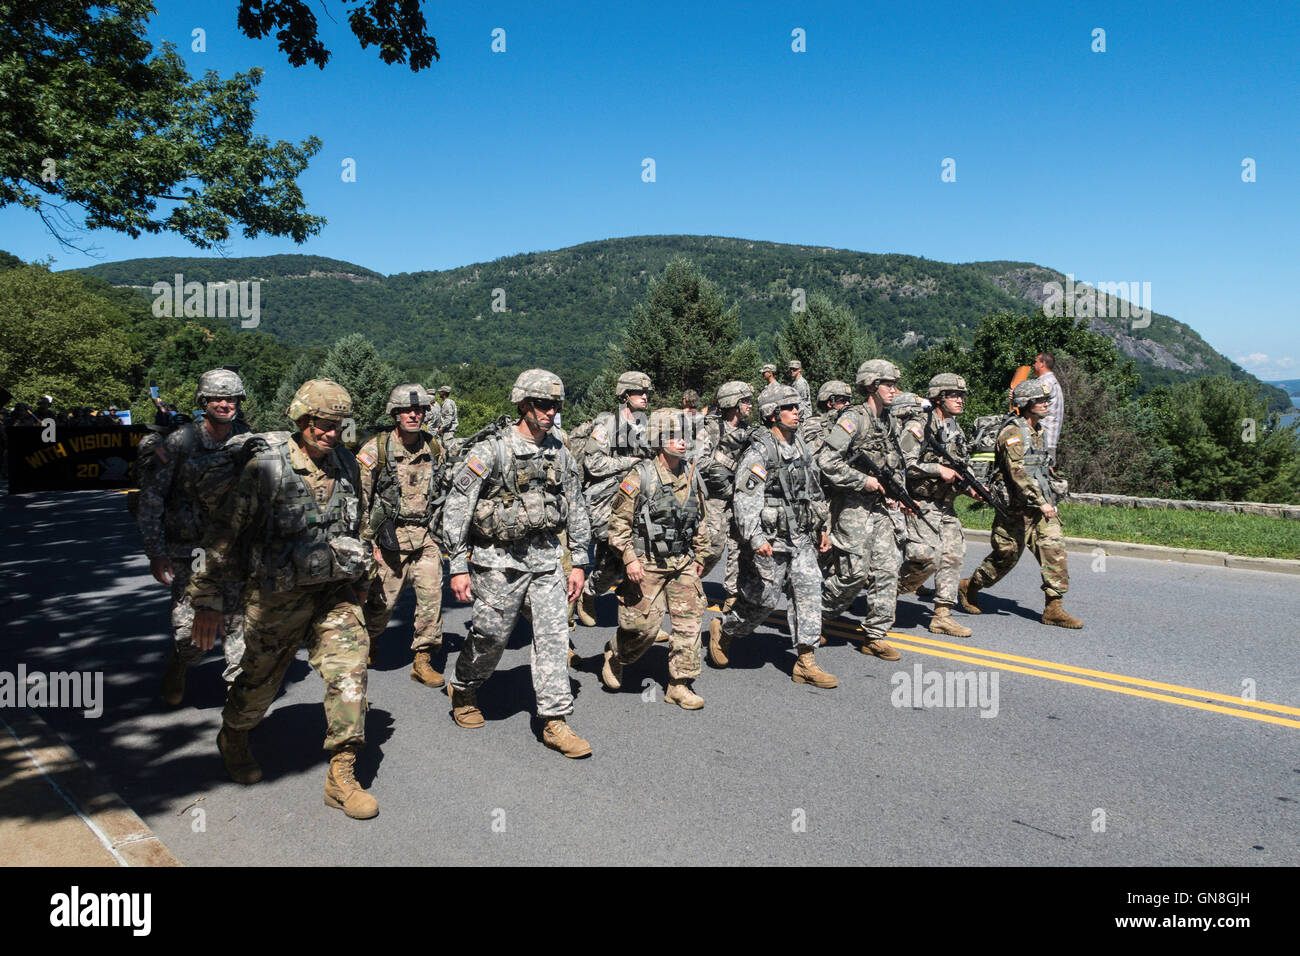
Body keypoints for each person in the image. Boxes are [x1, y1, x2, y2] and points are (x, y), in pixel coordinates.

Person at [189, 380, 379, 819]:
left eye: (337, 425)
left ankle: (342, 774)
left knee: (350, 673)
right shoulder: (266, 467)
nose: (329, 433)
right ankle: (234, 735)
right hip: (276, 596)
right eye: (320, 424)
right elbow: (221, 537)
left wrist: (364, 580)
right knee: (257, 686)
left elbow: (359, 528)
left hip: (333, 593)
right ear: (301, 419)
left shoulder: (347, 465)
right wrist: (206, 600)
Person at [442, 369, 593, 757]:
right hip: (497, 562)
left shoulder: (560, 450)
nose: (550, 411)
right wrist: (457, 565)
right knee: (490, 636)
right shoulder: (492, 450)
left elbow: (576, 505)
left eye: (556, 405)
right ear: (523, 404)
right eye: (543, 404)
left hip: (544, 561)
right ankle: (464, 688)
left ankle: (554, 719)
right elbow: (458, 510)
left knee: (554, 636)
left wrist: (578, 561)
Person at [135, 369, 254, 706]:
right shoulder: (181, 442)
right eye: (217, 398)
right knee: (191, 634)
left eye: (231, 398)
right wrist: (155, 552)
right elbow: (152, 498)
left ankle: (238, 698)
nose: (225, 404)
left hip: (233, 552)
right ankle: (180, 661)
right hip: (190, 553)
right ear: (204, 401)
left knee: (237, 622)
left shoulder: (245, 440)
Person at [708, 383, 837, 688]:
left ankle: (806, 662)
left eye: (797, 408)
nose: (797, 413)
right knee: (764, 600)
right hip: (770, 539)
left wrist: (822, 528)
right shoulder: (760, 451)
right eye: (790, 408)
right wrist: (755, 539)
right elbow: (745, 499)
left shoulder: (802, 445)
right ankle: (725, 630)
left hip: (801, 537)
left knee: (809, 593)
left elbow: (814, 490)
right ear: (773, 414)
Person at [601, 408, 710, 709]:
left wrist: (700, 553)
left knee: (690, 624)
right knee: (643, 629)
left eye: (684, 436)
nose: (682, 442)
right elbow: (618, 526)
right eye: (673, 436)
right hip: (646, 562)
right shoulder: (640, 477)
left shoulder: (691, 473)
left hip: (681, 563)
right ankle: (616, 654)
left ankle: (678, 684)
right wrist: (630, 559)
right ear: (659, 439)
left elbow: (700, 518)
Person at [960, 380, 1083, 629]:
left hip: (1039, 509)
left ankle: (1053, 608)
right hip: (1013, 510)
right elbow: (1017, 473)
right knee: (1006, 557)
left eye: (1046, 400)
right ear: (1026, 403)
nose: (1046, 404)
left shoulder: (1040, 431)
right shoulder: (1012, 432)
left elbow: (1042, 468)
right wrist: (1041, 501)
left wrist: (1052, 496)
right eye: (1040, 400)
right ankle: (970, 586)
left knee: (1054, 552)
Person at [815, 359, 906, 661]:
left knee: (888, 569)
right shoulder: (853, 419)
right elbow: (827, 461)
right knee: (853, 574)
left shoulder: (889, 421)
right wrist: (861, 480)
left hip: (879, 506)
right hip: (852, 504)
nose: (894, 390)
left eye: (894, 384)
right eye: (888, 384)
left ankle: (875, 635)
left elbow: (896, 463)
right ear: (871, 386)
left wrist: (896, 492)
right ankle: (814, 614)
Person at [357, 384, 447, 687]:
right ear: (395, 414)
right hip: (389, 539)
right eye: (407, 410)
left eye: (419, 410)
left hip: (425, 537)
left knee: (431, 599)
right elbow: (361, 499)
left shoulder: (433, 447)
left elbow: (443, 489)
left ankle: (423, 659)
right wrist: (367, 543)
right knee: (380, 605)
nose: (413, 415)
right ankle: (368, 642)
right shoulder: (376, 449)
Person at [895, 374, 974, 637]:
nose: (960, 400)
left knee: (954, 553)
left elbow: (962, 463)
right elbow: (905, 463)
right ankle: (886, 591)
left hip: (944, 503)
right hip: (920, 501)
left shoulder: (955, 429)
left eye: (962, 395)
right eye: (954, 395)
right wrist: (937, 469)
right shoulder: (920, 425)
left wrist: (970, 485)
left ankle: (942, 614)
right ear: (939, 397)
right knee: (927, 557)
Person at [577, 371, 652, 626]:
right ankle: (587, 594)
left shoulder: (643, 425)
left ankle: (638, 621)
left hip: (634, 500)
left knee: (640, 558)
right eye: (638, 392)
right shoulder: (607, 425)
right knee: (611, 564)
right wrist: (628, 462)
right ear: (624, 395)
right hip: (605, 501)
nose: (644, 396)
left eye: (647, 393)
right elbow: (593, 463)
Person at [698, 381, 755, 612]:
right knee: (713, 546)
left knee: (739, 546)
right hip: (713, 497)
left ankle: (732, 594)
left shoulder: (747, 431)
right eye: (745, 401)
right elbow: (699, 462)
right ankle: (689, 582)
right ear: (732, 403)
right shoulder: (711, 429)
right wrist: (728, 464)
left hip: (738, 496)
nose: (750, 405)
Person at [801, 379, 851, 453]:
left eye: (849, 400)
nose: (847, 404)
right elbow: (814, 455)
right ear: (830, 403)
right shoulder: (813, 424)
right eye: (843, 400)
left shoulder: (845, 422)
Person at [1033, 352, 1063, 465]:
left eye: (1036, 362)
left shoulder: (1045, 382)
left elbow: (1032, 405)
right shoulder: (1052, 381)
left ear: (1042, 364)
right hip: (1049, 440)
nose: (1033, 365)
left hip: (1043, 441)